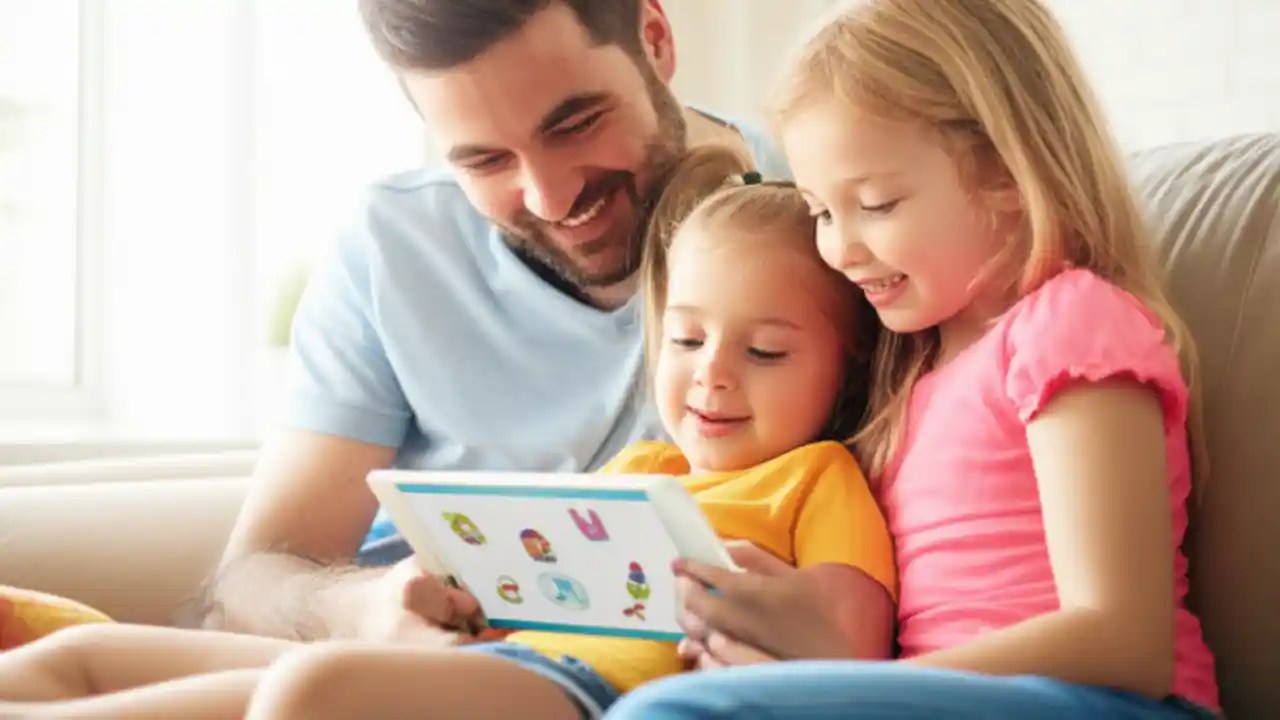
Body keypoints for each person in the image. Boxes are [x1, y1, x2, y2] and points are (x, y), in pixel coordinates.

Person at [0, 147, 896, 720]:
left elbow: (856, 639)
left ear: (847, 370)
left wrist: (761, 607)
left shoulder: (815, 479)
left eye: (767, 351)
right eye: (687, 338)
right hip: (486, 660)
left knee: (309, 692)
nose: (711, 372)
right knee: (80, 657)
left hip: (579, 691)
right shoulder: (643, 463)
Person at [603, 1, 1223, 718]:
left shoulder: (1069, 325)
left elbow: (1124, 642)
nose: (840, 250)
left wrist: (845, 687)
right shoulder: (910, 372)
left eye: (876, 203)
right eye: (822, 213)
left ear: (1004, 172)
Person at [195, 0, 791, 647]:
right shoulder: (392, 252)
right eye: (484, 161)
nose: (550, 198)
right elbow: (247, 583)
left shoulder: (824, 219)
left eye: (577, 125)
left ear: (655, 39)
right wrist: (361, 610)